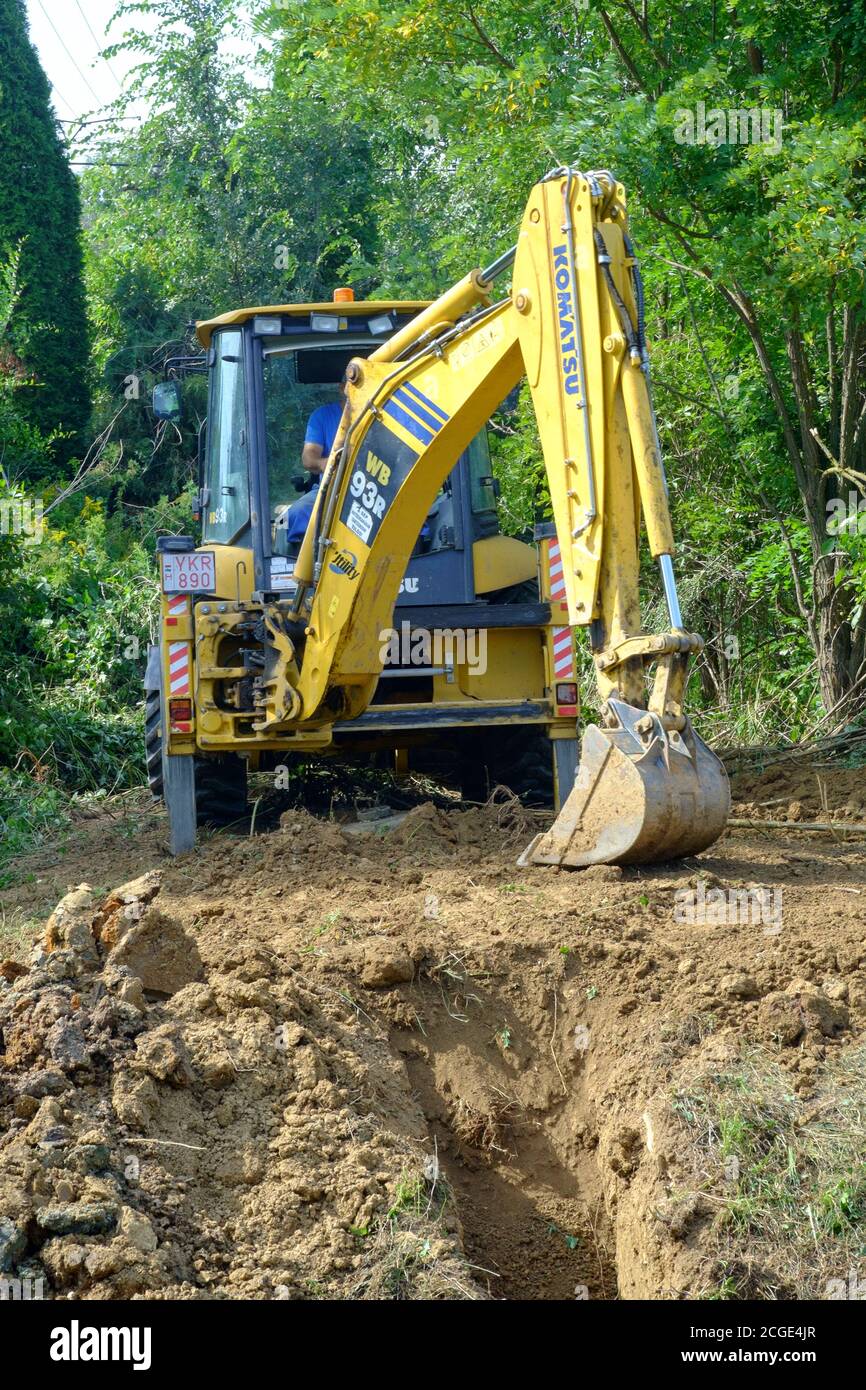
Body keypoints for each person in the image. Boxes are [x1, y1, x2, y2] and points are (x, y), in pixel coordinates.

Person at [282, 391, 345, 546]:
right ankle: (298, 566)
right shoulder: (323, 416)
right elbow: (309, 458)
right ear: (343, 386)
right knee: (287, 519)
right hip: (330, 488)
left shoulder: (385, 414)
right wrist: (325, 463)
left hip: (375, 492)